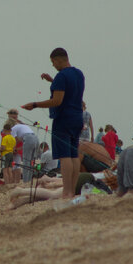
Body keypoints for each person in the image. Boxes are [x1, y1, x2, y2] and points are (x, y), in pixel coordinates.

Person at [22, 47, 85, 200]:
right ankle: (73, 191)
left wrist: (35, 104)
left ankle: (67, 192)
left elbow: (57, 101)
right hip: (77, 118)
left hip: (63, 119)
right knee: (73, 155)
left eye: (53, 62)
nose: (53, 65)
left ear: (57, 60)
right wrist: (52, 80)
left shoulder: (61, 76)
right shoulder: (78, 74)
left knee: (64, 157)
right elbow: (69, 89)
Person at [8, 112, 39, 182]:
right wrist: (16, 148)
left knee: (26, 162)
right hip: (36, 139)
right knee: (31, 162)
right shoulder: (22, 126)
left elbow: (14, 141)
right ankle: (29, 180)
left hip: (28, 139)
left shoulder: (13, 128)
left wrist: (12, 150)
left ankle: (25, 181)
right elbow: (20, 141)